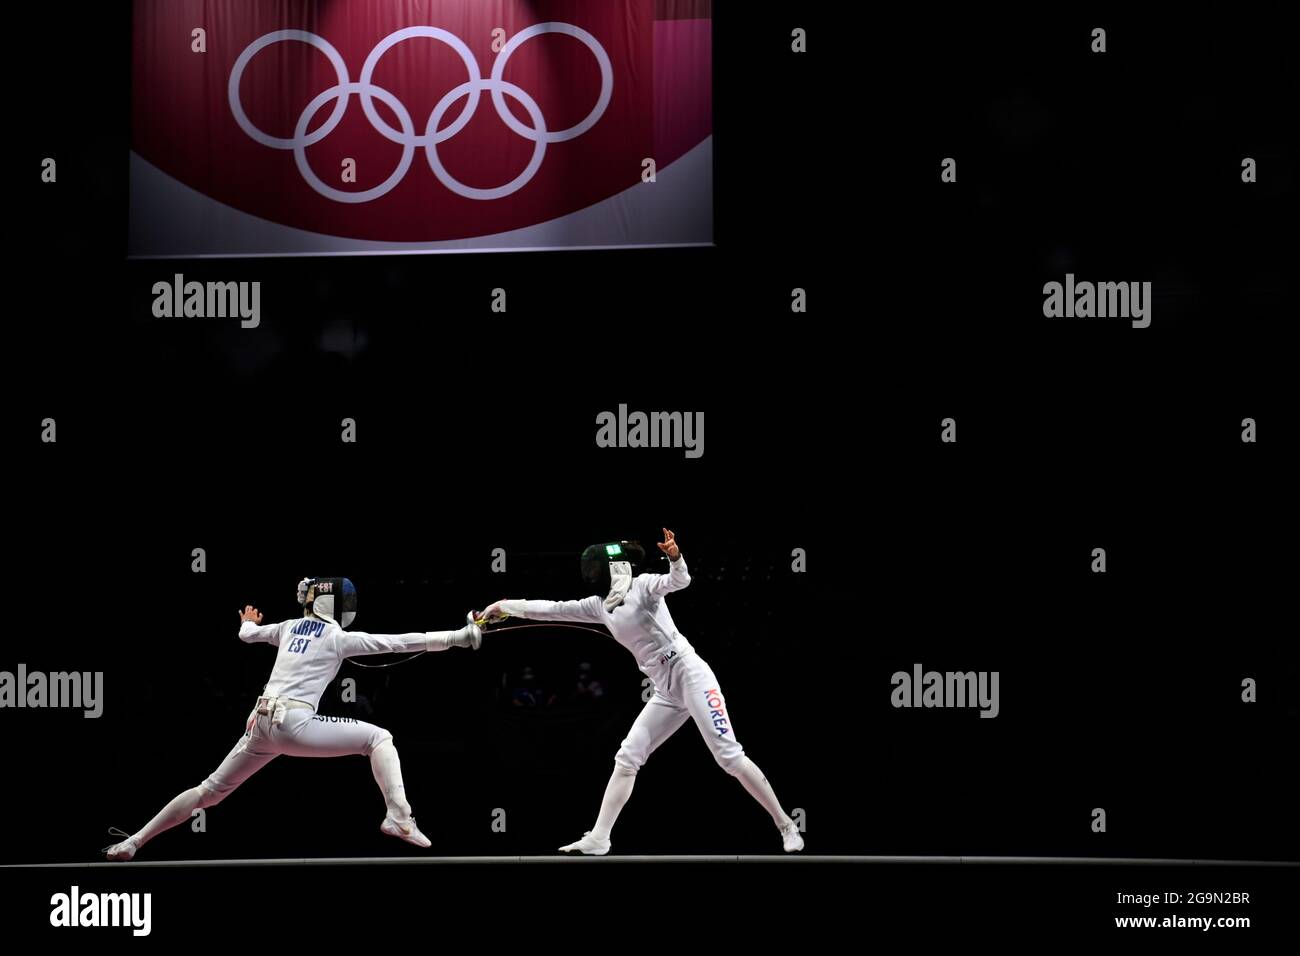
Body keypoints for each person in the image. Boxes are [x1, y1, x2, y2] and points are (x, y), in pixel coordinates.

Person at [104, 577, 481, 860]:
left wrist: (246, 623)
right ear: (335, 605)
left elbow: (247, 635)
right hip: (293, 725)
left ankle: (133, 841)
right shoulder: (338, 639)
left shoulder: (287, 628)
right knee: (378, 738)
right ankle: (399, 817)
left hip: (259, 725)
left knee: (207, 792)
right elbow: (399, 641)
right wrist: (457, 637)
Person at [475, 530, 803, 855]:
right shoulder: (598, 606)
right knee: (628, 757)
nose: (591, 576)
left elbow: (680, 581)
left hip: (691, 675)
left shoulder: (643, 586)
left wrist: (675, 557)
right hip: (665, 689)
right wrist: (505, 606)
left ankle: (785, 824)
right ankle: (600, 837)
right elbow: (550, 608)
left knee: (728, 757)